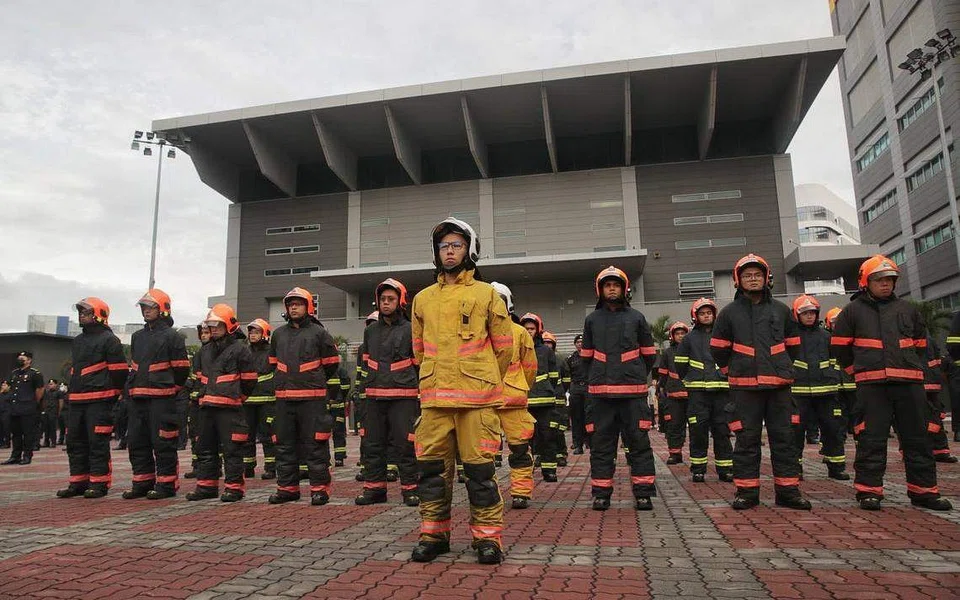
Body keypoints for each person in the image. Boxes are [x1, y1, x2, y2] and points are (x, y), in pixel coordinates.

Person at [410, 217, 512, 565]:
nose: (449, 251)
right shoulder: (422, 299)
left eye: (456, 245)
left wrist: (483, 380)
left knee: (480, 473)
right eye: (443, 246)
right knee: (431, 473)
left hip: (477, 401)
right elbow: (419, 350)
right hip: (435, 400)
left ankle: (488, 539)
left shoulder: (487, 294)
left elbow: (503, 348)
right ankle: (433, 535)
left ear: (470, 250)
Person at [831, 255, 951, 511]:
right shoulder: (851, 312)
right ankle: (869, 492)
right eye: (879, 280)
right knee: (871, 439)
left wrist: (910, 369)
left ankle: (924, 492)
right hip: (872, 386)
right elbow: (840, 350)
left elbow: (920, 345)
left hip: (909, 384)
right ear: (866, 281)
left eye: (889, 280)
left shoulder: (908, 310)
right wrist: (859, 372)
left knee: (918, 438)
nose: (885, 284)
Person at [711, 254, 810, 510]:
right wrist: (731, 370)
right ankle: (747, 492)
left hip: (779, 387)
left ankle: (788, 492)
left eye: (757, 275)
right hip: (744, 387)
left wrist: (784, 370)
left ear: (766, 278)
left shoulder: (781, 310)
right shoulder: (728, 313)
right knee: (746, 440)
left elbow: (794, 347)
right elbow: (718, 349)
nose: (752, 279)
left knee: (785, 439)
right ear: (737, 281)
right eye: (747, 275)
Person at [580, 266, 658, 512]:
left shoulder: (637, 318)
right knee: (602, 446)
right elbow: (586, 357)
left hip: (633, 394)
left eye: (616, 285)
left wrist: (633, 374)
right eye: (607, 285)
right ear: (600, 290)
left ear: (624, 289)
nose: (611, 288)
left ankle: (643, 494)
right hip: (602, 396)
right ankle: (601, 494)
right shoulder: (592, 320)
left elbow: (648, 355)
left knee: (639, 445)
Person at [268, 287, 341, 506]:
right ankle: (287, 489)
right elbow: (273, 364)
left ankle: (320, 490)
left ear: (308, 307)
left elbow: (331, 364)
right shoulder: (278, 334)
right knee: (284, 445)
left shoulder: (319, 333)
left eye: (298, 304)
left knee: (315, 445)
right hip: (284, 399)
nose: (294, 308)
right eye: (291, 305)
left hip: (313, 399)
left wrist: (311, 380)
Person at [355, 278, 421, 507]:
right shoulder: (370, 331)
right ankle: (374, 490)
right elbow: (365, 363)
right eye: (382, 299)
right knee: (372, 444)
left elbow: (419, 363)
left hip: (403, 396)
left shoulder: (412, 329)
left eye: (391, 299)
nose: (385, 303)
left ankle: (411, 490)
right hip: (374, 396)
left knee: (406, 445)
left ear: (400, 302)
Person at [57, 297, 128, 498]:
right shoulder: (78, 341)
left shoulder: (109, 339)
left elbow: (119, 372)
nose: (81, 315)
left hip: (100, 400)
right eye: (80, 312)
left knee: (97, 442)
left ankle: (99, 483)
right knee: (74, 442)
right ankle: (78, 482)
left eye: (86, 312)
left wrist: (112, 394)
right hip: (78, 399)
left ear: (99, 315)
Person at [123, 289, 190, 500]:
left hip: (162, 398)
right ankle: (142, 482)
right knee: (137, 441)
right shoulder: (137, 337)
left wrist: (169, 388)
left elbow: (181, 369)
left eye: (150, 307)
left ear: (163, 309)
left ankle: (166, 485)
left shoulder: (174, 337)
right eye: (143, 307)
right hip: (138, 397)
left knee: (163, 442)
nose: (145, 311)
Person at [187, 304, 256, 503]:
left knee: (232, 450)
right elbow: (200, 379)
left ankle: (234, 489)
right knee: (205, 449)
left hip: (230, 409)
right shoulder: (204, 351)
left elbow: (249, 381)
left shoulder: (240, 350)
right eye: (210, 325)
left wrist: (237, 397)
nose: (213, 329)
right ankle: (206, 487)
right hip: (207, 407)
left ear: (229, 326)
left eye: (218, 325)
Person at [790, 295, 848, 481]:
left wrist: (834, 381)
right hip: (798, 392)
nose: (809, 316)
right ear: (797, 315)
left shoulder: (826, 336)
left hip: (826, 390)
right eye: (805, 313)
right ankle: (795, 467)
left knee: (833, 429)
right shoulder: (791, 337)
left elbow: (836, 361)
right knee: (795, 432)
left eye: (812, 313)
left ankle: (836, 465)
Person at [490, 282, 537, 509]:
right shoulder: (479, 332)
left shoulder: (520, 332)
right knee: (483, 453)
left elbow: (530, 368)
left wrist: (519, 388)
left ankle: (521, 492)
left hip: (513, 402)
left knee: (519, 449)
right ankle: (490, 493)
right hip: (485, 401)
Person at [519, 314, 562, 483]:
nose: (528, 331)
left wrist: (550, 392)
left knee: (547, 436)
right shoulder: (517, 348)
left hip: (545, 402)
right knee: (524, 438)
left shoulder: (546, 351)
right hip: (523, 401)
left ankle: (549, 470)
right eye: (526, 328)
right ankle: (525, 470)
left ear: (538, 330)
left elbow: (554, 376)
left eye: (531, 328)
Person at [244, 319, 277, 480]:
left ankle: (271, 467)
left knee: (268, 435)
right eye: (251, 332)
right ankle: (248, 467)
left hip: (267, 400)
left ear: (264, 334)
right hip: (247, 401)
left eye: (256, 332)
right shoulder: (245, 351)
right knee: (246, 435)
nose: (252, 335)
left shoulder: (271, 352)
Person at [3, 351, 44, 465]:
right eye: (19, 357)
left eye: (23, 357)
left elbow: (39, 391)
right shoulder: (14, 373)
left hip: (27, 408)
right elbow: (11, 389)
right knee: (16, 434)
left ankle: (27, 456)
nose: (20, 359)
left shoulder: (35, 374)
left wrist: (32, 402)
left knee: (27, 434)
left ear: (29, 360)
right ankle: (15, 456)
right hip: (15, 408)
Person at [657, 321, 689, 465]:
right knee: (674, 426)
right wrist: (660, 388)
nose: (680, 336)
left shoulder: (692, 350)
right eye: (677, 334)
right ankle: (675, 454)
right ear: (672, 336)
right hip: (673, 395)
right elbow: (663, 373)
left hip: (692, 394)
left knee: (696, 428)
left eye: (683, 333)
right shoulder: (668, 353)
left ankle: (697, 457)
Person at [922, 336, 957, 463]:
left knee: (929, 417)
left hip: (921, 383)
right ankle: (938, 450)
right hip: (927, 382)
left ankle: (935, 450)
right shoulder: (927, 337)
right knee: (934, 417)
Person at [824, 307, 858, 435]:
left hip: (851, 380)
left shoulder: (852, 337)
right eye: (834, 322)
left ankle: (855, 432)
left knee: (855, 408)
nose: (837, 325)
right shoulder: (826, 338)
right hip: (835, 382)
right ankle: (841, 434)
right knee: (838, 410)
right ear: (828, 323)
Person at [183, 324, 211, 479]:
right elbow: (195, 377)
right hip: (195, 398)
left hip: (206, 398)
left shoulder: (212, 353)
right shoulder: (199, 353)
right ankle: (196, 465)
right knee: (193, 433)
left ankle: (210, 465)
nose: (204, 335)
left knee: (206, 434)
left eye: (207, 333)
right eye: (202, 333)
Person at [542, 332, 569, 468]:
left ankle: (561, 455)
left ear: (553, 344)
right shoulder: (537, 357)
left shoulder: (559, 359)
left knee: (559, 429)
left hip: (558, 399)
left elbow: (566, 379)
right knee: (545, 430)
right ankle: (543, 456)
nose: (547, 345)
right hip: (544, 399)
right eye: (545, 342)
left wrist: (560, 391)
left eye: (549, 343)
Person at [565, 334, 588, 454]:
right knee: (576, 417)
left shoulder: (590, 356)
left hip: (588, 389)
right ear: (575, 344)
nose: (580, 343)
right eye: (578, 342)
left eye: (582, 341)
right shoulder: (570, 358)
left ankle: (589, 441)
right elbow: (566, 374)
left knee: (589, 416)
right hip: (575, 389)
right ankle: (577, 444)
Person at [328, 362, 351, 468]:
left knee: (322, 433)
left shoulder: (321, 371)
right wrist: (342, 397)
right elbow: (346, 387)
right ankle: (339, 458)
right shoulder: (341, 371)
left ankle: (325, 459)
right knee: (339, 432)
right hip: (338, 406)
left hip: (325, 406)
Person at [41, 380, 64, 447]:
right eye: (49, 384)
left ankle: (53, 442)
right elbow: (44, 401)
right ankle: (46, 441)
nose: (50, 385)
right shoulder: (46, 392)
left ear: (56, 384)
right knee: (46, 427)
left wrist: (59, 412)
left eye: (52, 384)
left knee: (52, 427)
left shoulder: (59, 393)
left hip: (53, 411)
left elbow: (61, 402)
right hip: (47, 411)